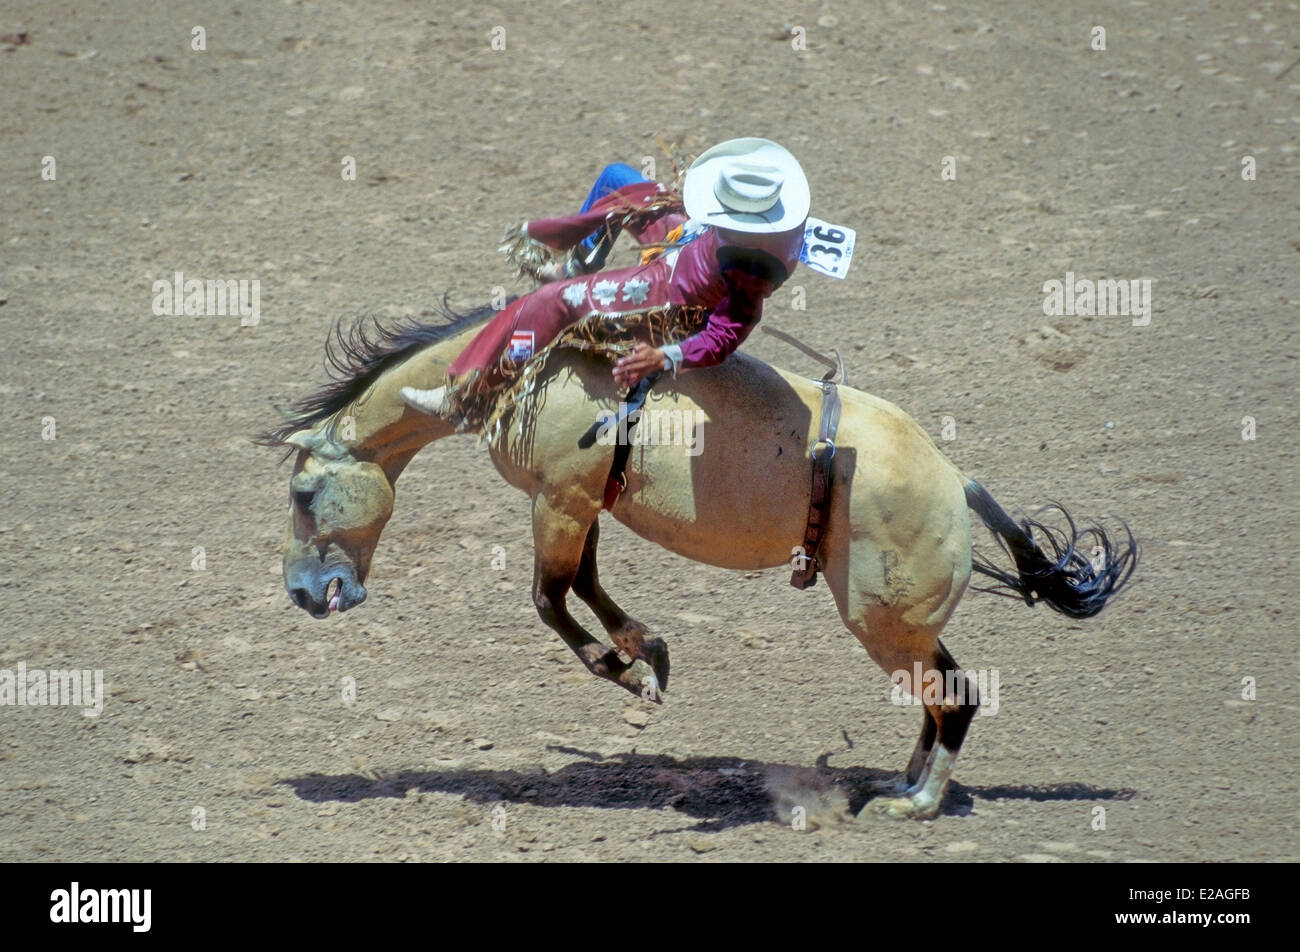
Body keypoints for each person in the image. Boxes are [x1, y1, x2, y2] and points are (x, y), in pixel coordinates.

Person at [443, 137, 810, 393]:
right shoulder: (772, 217)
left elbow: (721, 338)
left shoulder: (753, 269)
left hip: (673, 293)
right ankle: (577, 266)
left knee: (557, 298)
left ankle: (480, 385)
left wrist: (664, 357)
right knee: (617, 181)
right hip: (687, 242)